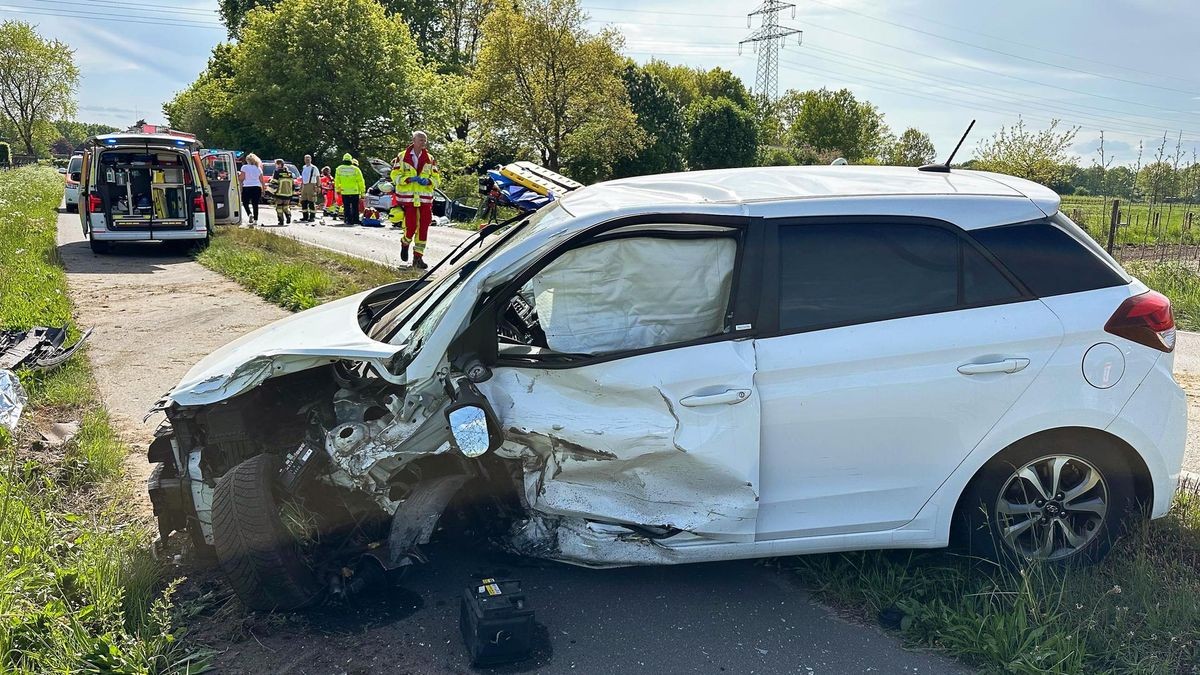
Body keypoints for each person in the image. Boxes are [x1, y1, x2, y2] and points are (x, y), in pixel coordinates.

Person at [392, 131, 442, 269]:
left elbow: (437, 179)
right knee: (411, 225)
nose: (423, 142)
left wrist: (429, 181)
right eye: (421, 139)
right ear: (413, 140)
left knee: (424, 227)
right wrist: (407, 179)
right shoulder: (402, 157)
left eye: (425, 140)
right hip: (408, 199)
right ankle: (405, 242)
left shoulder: (430, 158)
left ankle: (418, 257)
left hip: (425, 200)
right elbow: (394, 175)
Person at [334, 152, 365, 225]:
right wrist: (362, 191)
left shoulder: (339, 169)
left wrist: (337, 190)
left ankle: (347, 220)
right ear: (351, 160)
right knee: (355, 207)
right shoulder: (356, 169)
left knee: (346, 206)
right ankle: (355, 220)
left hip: (345, 191)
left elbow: (337, 181)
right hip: (354, 191)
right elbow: (361, 181)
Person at [238, 153, 265, 225]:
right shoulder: (258, 168)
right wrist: (263, 189)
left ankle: (249, 214)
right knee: (255, 204)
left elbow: (242, 178)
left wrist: (238, 177)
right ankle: (256, 220)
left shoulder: (244, 167)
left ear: (248, 160)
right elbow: (262, 180)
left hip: (247, 187)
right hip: (257, 187)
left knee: (245, 202)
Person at [269, 158, 294, 224]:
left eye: (276, 164)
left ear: (279, 164)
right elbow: (293, 184)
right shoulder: (289, 173)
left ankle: (281, 220)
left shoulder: (277, 172)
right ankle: (288, 215)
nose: (275, 166)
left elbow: (274, 183)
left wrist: (270, 191)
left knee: (279, 207)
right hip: (288, 193)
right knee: (286, 206)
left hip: (279, 193)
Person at [299, 154, 320, 223]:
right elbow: (303, 177)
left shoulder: (314, 168)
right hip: (304, 185)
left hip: (311, 185)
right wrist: (301, 186)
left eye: (308, 159)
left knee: (311, 201)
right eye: (306, 159)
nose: (307, 160)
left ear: (311, 160)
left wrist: (318, 186)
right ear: (304, 160)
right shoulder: (304, 167)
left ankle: (312, 217)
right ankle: (305, 217)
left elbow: (318, 177)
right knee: (303, 201)